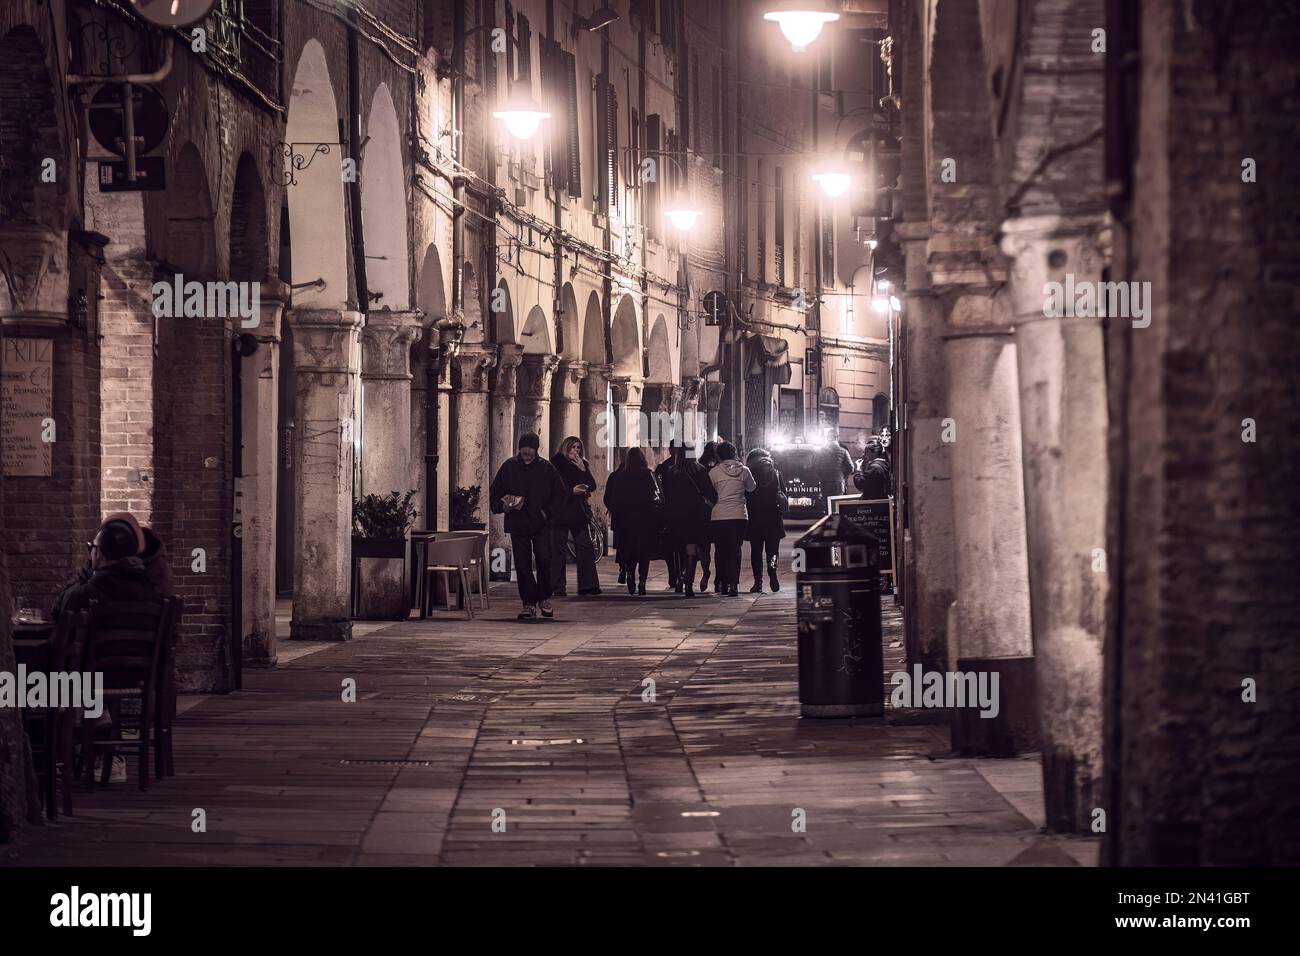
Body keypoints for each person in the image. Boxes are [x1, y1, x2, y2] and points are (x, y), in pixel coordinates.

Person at [490, 432, 568, 620]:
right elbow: (495, 493)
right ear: (520, 448)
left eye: (530, 449)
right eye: (524, 448)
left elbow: (560, 495)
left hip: (541, 524)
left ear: (536, 449)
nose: (527, 452)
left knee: (544, 560)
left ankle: (544, 598)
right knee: (523, 565)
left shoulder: (546, 469)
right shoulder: (509, 467)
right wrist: (504, 506)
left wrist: (545, 513)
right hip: (517, 524)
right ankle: (529, 603)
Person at [54, 513, 165, 619]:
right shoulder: (148, 591)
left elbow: (58, 610)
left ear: (98, 554)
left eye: (91, 547)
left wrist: (86, 576)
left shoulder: (88, 592)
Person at [603, 448, 662, 596]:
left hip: (626, 521)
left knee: (630, 550)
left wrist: (617, 514)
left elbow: (614, 498)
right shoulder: (648, 475)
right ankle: (642, 581)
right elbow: (656, 496)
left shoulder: (621, 477)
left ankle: (630, 574)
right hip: (645, 520)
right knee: (644, 552)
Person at [660, 443, 716, 597]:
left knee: (678, 549)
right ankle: (689, 584)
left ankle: (679, 579)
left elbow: (666, 495)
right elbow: (711, 495)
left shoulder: (671, 472)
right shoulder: (701, 471)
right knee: (691, 548)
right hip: (695, 516)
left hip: (676, 516)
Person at [549, 436, 601, 596]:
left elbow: (591, 486)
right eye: (573, 447)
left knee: (585, 548)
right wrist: (570, 491)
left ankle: (588, 586)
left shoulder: (582, 464)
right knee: (557, 550)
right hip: (560, 512)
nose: (576, 451)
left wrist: (583, 470)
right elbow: (552, 487)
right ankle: (556, 587)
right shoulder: (556, 463)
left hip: (578, 512)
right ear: (566, 448)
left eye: (579, 448)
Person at [708, 441, 756, 597]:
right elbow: (752, 488)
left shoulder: (713, 472)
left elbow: (710, 492)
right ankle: (734, 584)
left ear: (718, 455)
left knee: (720, 550)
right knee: (735, 550)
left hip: (718, 516)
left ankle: (722, 583)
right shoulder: (745, 470)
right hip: (739, 516)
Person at [745, 447, 787, 593]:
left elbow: (746, 495)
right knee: (773, 551)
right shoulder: (776, 473)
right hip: (773, 519)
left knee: (756, 552)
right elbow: (783, 493)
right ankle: (772, 571)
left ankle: (758, 583)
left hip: (755, 518)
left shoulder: (749, 474)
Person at [696, 440, 721, 592]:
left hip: (703, 513)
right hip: (718, 511)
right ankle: (718, 580)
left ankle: (706, 572)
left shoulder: (699, 468)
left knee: (703, 547)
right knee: (719, 549)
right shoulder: (721, 468)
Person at [818, 430, 854, 498]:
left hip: (825, 485)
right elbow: (851, 468)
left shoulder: (821, 451)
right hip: (838, 485)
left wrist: (822, 476)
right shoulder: (844, 451)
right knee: (837, 506)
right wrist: (843, 476)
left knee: (827, 506)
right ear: (837, 438)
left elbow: (816, 467)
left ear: (828, 438)